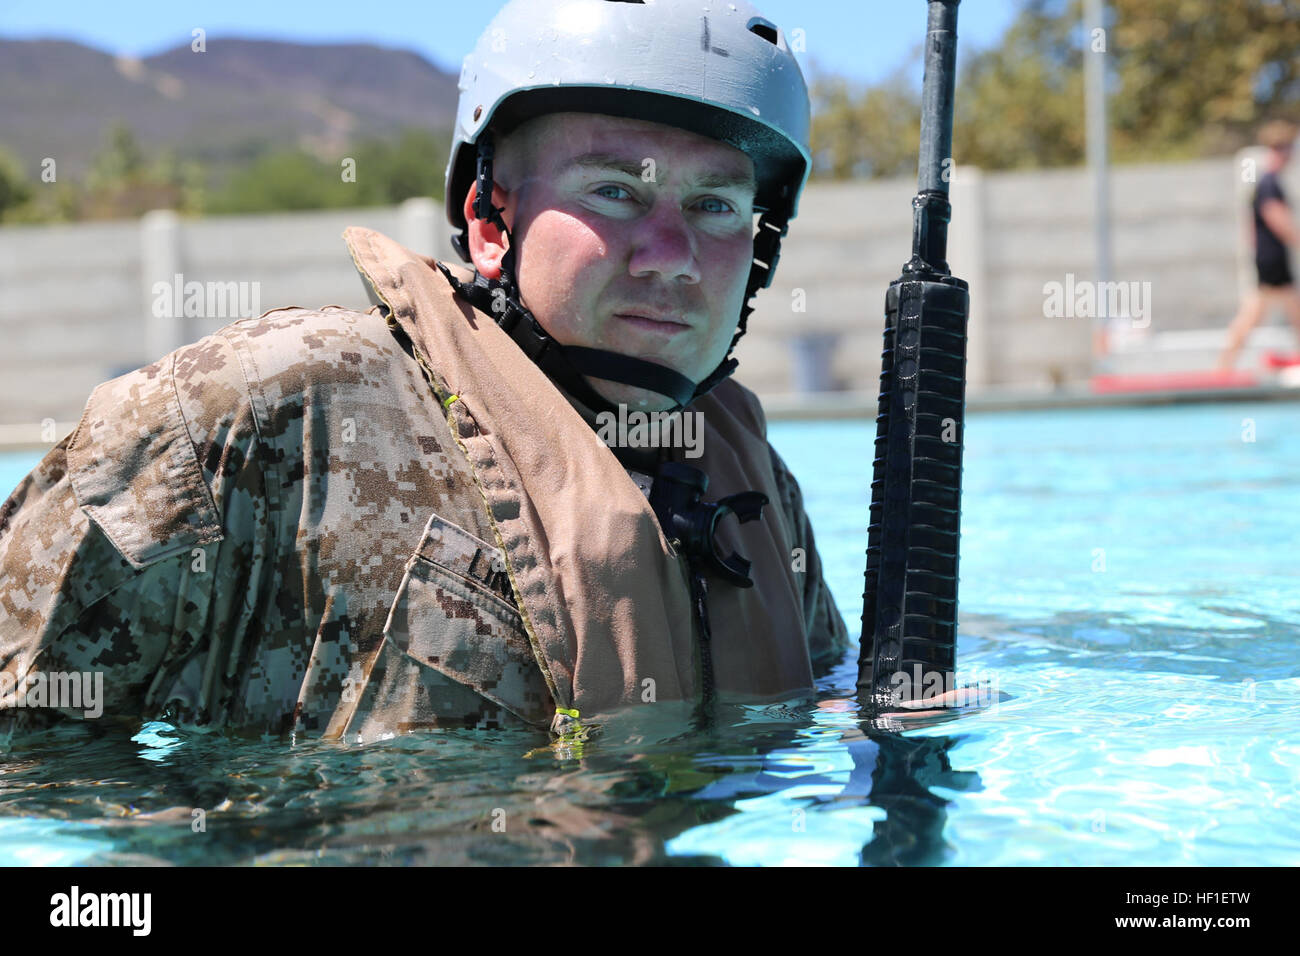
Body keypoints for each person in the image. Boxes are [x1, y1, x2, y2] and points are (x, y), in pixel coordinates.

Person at [0, 0, 848, 745]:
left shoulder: (754, 485)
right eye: (615, 192)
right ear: (489, 219)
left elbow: (813, 715)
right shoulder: (266, 409)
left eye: (716, 206)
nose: (672, 258)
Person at [1218, 120, 1300, 370]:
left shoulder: (1265, 182)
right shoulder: (1269, 182)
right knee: (1256, 313)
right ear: (1282, 149)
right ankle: (1223, 366)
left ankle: (1224, 365)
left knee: (1272, 311)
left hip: (1269, 257)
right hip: (1272, 259)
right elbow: (1277, 219)